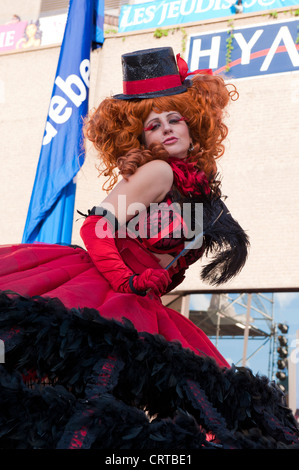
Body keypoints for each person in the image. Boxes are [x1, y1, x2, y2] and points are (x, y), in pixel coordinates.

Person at [0, 47, 298, 449]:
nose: (167, 129)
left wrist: (152, 282)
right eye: (154, 126)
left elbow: (173, 259)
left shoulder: (197, 190)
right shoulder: (157, 171)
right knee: (67, 381)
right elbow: (96, 226)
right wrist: (130, 279)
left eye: (174, 119)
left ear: (193, 126)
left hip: (143, 302)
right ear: (142, 138)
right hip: (105, 287)